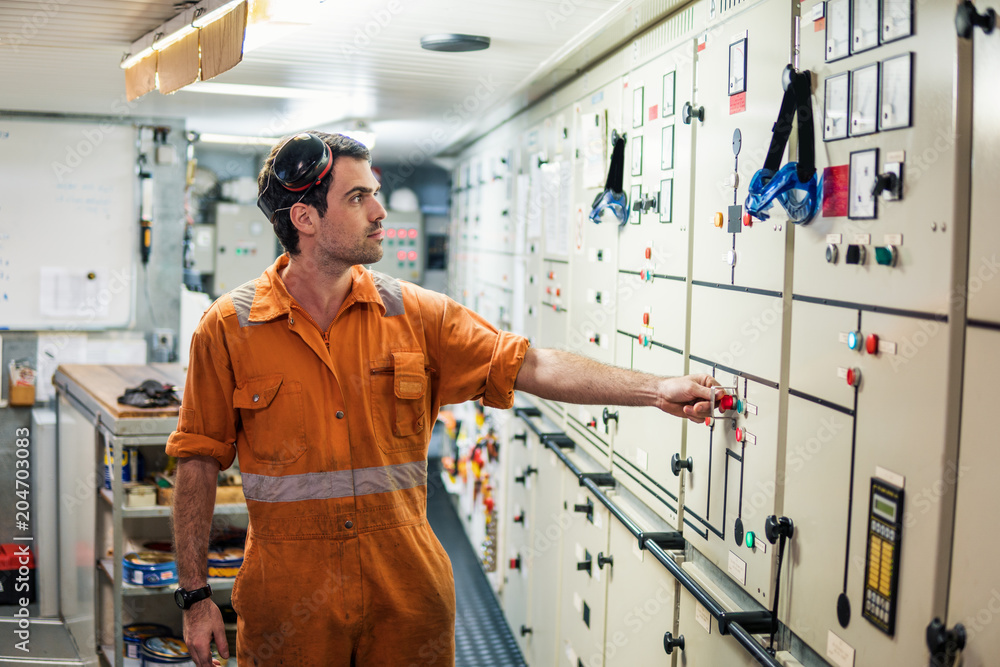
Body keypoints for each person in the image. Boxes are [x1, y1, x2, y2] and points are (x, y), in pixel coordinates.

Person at [166, 131, 719, 667]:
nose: (379, 213)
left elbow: (532, 364)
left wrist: (654, 388)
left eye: (375, 194)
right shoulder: (229, 328)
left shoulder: (415, 314)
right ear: (305, 218)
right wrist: (194, 597)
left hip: (406, 599)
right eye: (358, 198)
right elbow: (196, 461)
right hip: (288, 605)